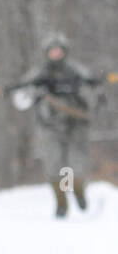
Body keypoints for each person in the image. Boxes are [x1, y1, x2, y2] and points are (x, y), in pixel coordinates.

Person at [15, 33, 100, 217]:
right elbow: (21, 96)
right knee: (55, 166)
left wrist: (86, 92)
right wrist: (34, 93)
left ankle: (78, 192)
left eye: (58, 50)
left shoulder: (77, 71)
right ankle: (61, 203)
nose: (55, 54)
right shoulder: (39, 73)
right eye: (51, 51)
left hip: (76, 125)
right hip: (49, 126)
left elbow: (94, 93)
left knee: (76, 164)